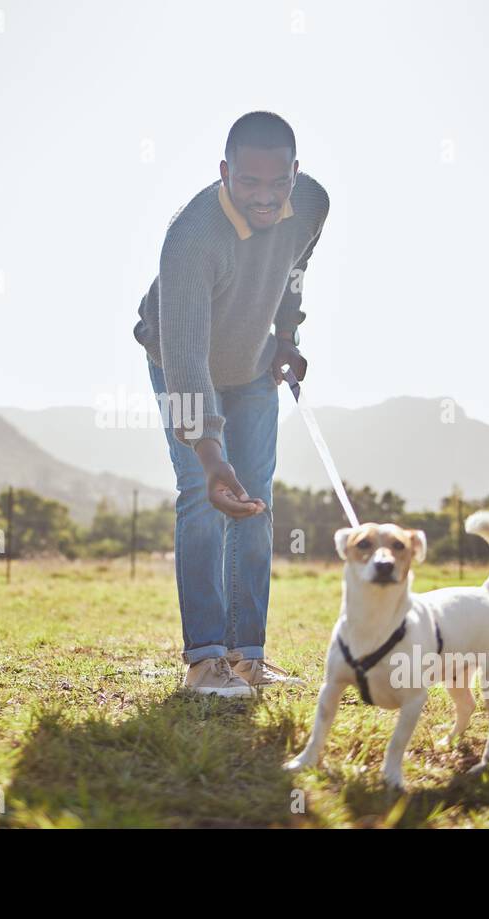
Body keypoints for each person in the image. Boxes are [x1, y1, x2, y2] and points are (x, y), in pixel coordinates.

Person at [132, 111, 331, 696]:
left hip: (252, 363)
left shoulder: (312, 203)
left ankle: (248, 655)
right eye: (249, 183)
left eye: (278, 183)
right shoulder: (193, 237)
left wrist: (288, 337)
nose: (265, 198)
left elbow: (294, 270)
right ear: (224, 173)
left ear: (296, 173)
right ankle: (205, 659)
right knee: (203, 494)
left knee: (255, 500)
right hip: (179, 360)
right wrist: (211, 455)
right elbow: (188, 361)